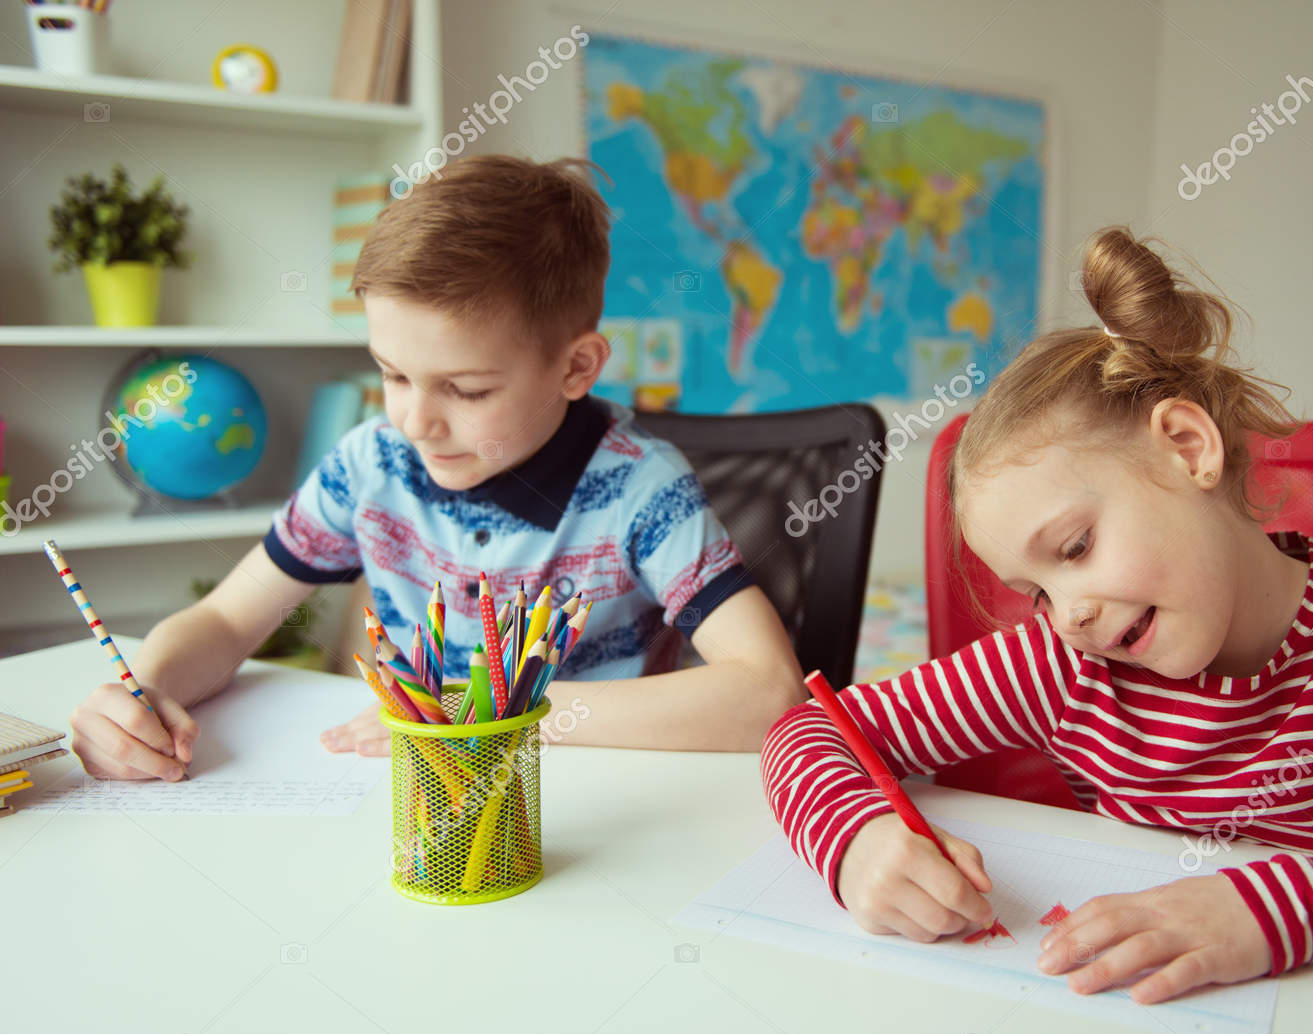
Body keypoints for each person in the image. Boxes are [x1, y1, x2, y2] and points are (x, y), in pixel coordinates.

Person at [760, 225, 1313, 1004]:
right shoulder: (1065, 664)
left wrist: (1282, 908)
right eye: (1039, 592)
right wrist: (855, 843)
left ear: (1190, 447)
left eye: (1078, 546)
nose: (1068, 616)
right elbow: (807, 730)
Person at [70, 155, 805, 781]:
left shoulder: (643, 490)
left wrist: (474, 719)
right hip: (403, 800)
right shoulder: (370, 464)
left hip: (580, 806)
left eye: (466, 389)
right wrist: (144, 694)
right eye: (393, 375)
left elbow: (767, 692)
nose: (413, 421)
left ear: (576, 366)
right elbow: (229, 619)